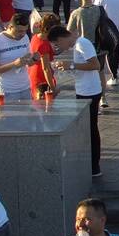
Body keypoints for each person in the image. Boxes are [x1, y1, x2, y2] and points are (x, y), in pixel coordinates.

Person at [47, 25, 104, 177]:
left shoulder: (82, 44)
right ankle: (92, 164)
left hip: (90, 92)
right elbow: (84, 67)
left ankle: (94, 166)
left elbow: (95, 65)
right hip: (84, 89)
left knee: (91, 129)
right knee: (88, 128)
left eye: (58, 44)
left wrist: (71, 65)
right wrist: (68, 68)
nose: (60, 48)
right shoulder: (77, 46)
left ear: (61, 38)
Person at [0, 13, 35, 102]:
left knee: (27, 115)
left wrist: (34, 59)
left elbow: (29, 62)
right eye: (19, 31)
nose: (22, 34)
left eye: (25, 31)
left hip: (25, 88)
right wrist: (14, 64)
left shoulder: (25, 37)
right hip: (6, 91)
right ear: (10, 27)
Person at [29, 12, 60, 99]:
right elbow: (45, 68)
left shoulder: (35, 37)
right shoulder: (43, 45)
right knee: (45, 105)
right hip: (41, 79)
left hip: (33, 74)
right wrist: (53, 88)